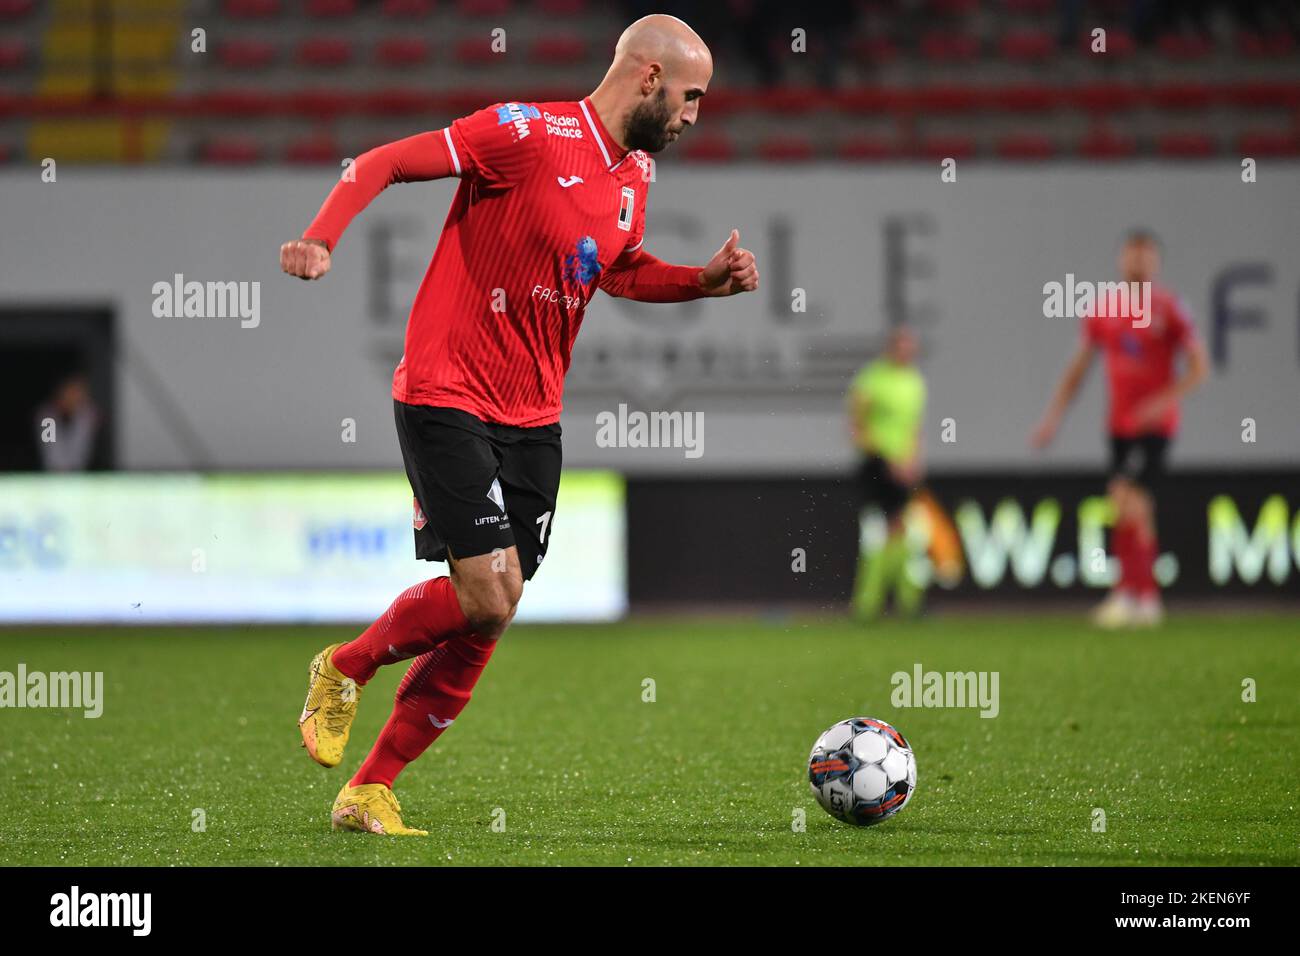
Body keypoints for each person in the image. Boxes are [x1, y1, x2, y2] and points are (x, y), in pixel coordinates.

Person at [280, 14, 759, 835]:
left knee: (493, 609)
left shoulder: (636, 176)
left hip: (534, 413)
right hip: (447, 390)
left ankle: (367, 790)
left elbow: (616, 271)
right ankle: (345, 666)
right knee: (488, 589)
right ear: (648, 78)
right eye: (690, 96)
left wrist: (699, 283)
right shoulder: (522, 133)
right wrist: (321, 238)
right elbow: (386, 162)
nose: (693, 114)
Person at [1031, 230, 1207, 628]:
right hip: (1119, 425)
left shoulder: (1171, 308)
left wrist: (1162, 401)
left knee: (1136, 503)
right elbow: (1078, 369)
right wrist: (1053, 418)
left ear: (1157, 263)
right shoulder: (1104, 309)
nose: (1138, 264)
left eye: (1146, 257)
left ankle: (1142, 597)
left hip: (1156, 425)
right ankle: (1132, 594)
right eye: (1132, 256)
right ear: (1120, 261)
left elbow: (1199, 367)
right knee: (1120, 501)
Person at [847, 327, 926, 620]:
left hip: (903, 467)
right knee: (877, 533)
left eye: (911, 346)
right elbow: (857, 424)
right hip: (877, 464)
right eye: (904, 346)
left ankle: (907, 601)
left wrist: (914, 460)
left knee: (902, 531)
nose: (908, 351)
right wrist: (885, 458)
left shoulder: (915, 381)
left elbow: (914, 427)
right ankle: (868, 604)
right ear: (892, 348)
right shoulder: (872, 379)